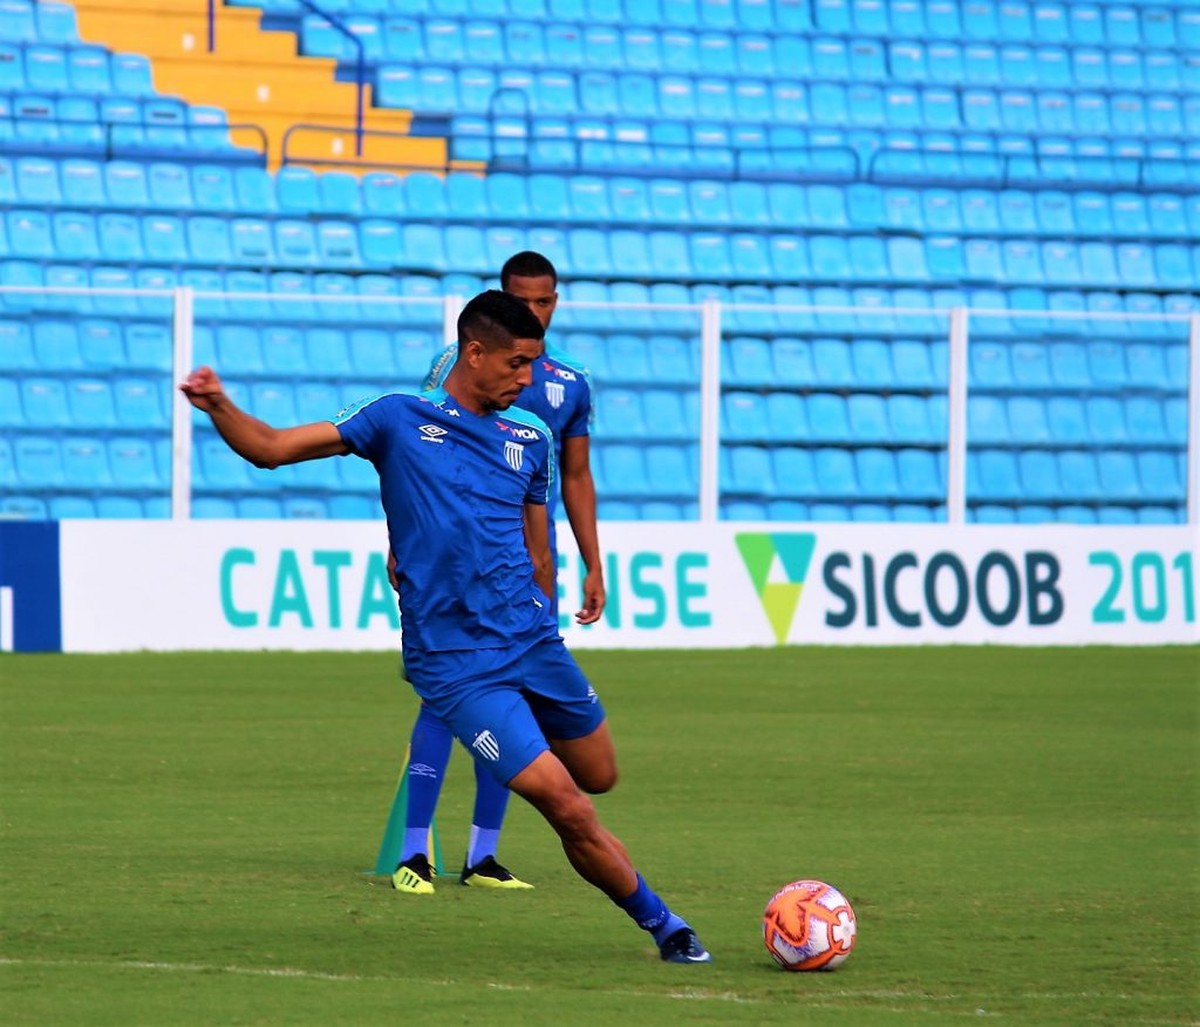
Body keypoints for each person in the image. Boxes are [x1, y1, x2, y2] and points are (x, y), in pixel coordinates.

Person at [180, 290, 712, 964]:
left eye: (535, 365)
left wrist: (545, 612)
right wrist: (220, 404)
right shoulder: (397, 418)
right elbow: (274, 448)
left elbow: (535, 546)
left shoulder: (531, 437)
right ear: (475, 351)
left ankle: (516, 735)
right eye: (518, 365)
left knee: (601, 774)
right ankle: (668, 927)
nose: (528, 381)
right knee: (569, 804)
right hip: (457, 663)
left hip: (532, 640)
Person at [393, 251, 603, 895]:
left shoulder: (568, 383)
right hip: (454, 568)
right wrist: (399, 541)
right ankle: (413, 852)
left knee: (513, 707)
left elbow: (574, 476)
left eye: (544, 302)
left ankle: (483, 856)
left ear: (557, 303)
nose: (534, 311)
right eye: (523, 300)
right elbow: (410, 460)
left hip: (527, 569)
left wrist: (592, 562)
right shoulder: (458, 365)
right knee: (444, 698)